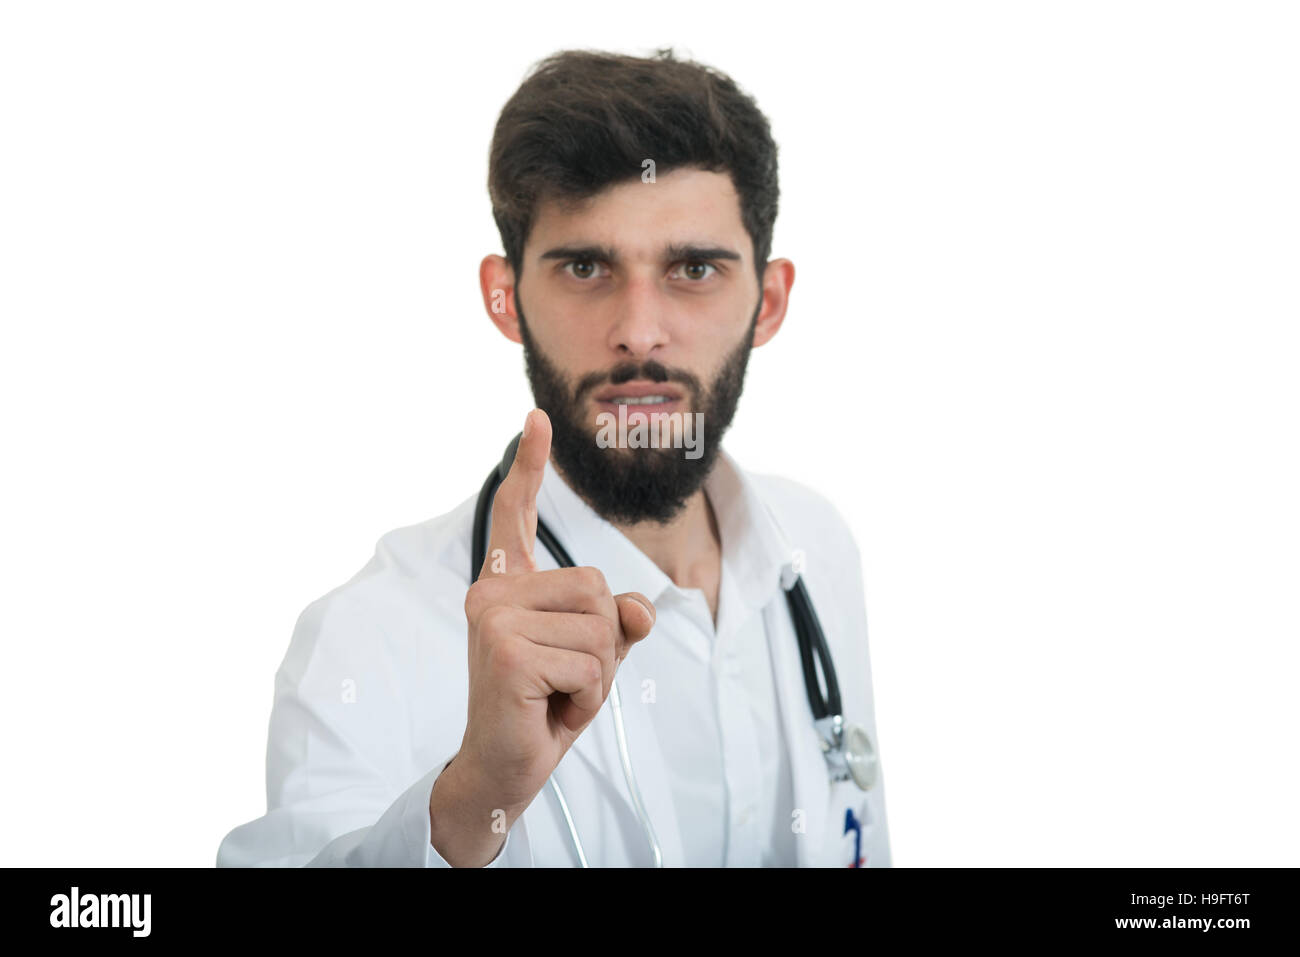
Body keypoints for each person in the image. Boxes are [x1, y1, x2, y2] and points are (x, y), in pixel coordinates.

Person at [217, 47, 890, 868]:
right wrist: (473, 801)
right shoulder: (369, 640)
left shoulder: (816, 548)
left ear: (769, 301)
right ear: (504, 298)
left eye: (694, 268)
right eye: (584, 266)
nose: (640, 331)